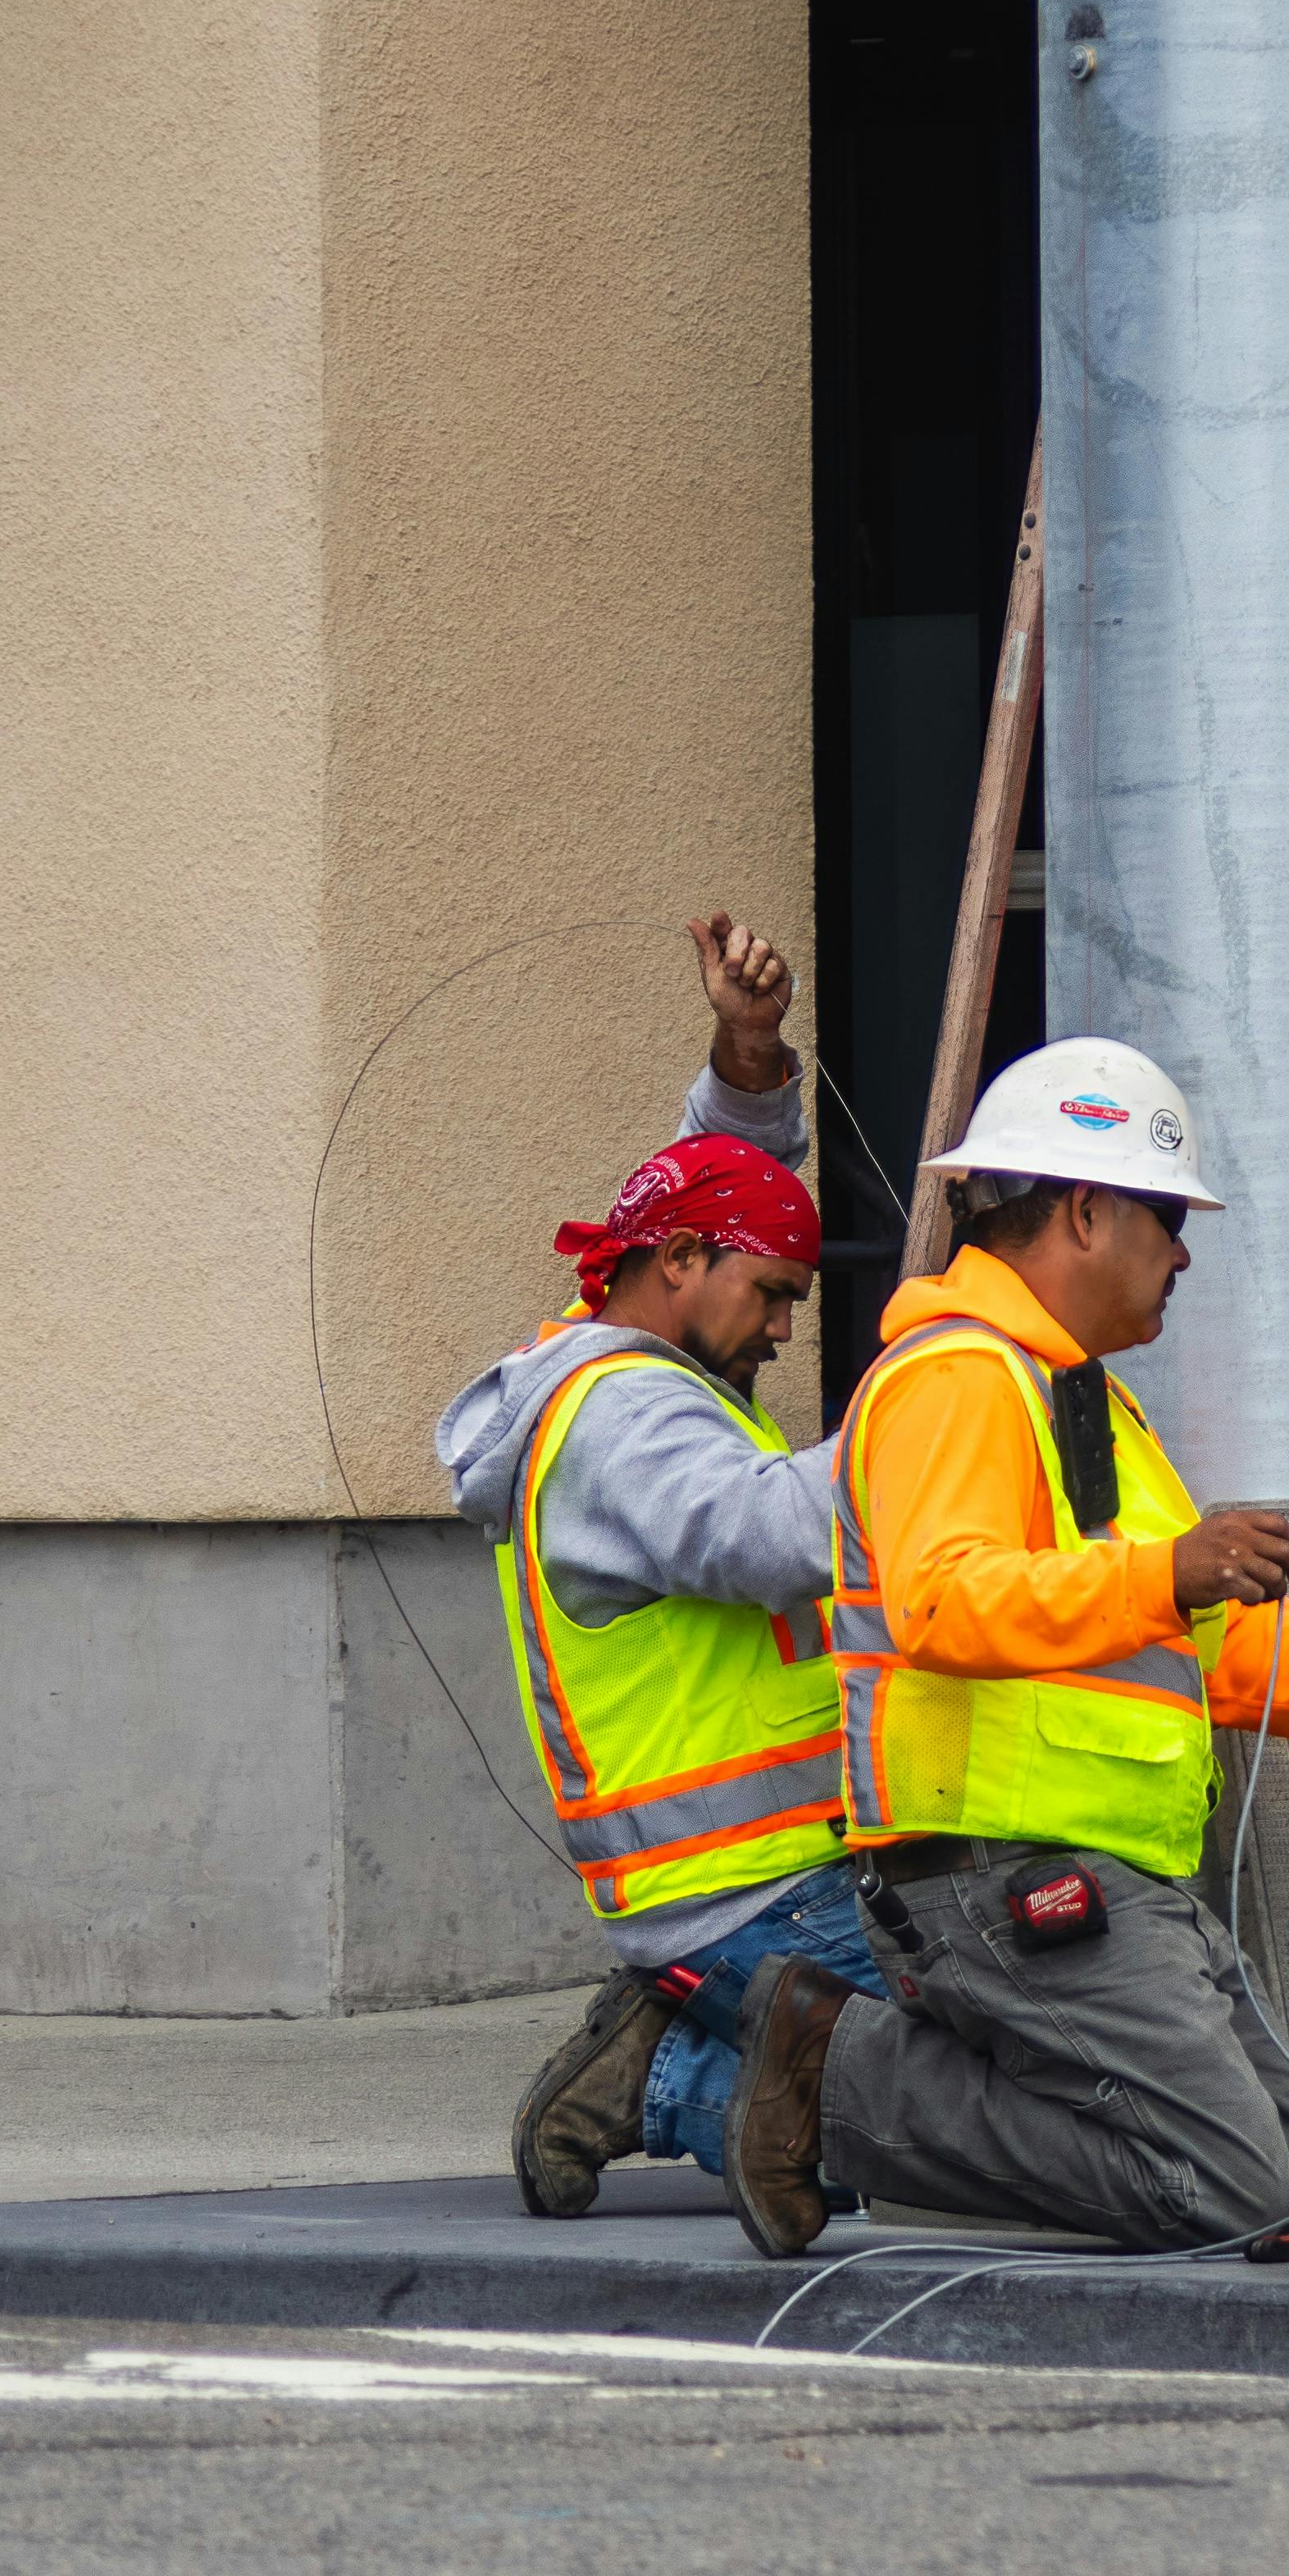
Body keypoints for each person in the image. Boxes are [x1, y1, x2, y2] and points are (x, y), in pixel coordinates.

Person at [712, 1035, 1289, 2260]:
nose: (1183, 1250)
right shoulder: (959, 1376)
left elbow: (1178, 1643)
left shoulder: (1069, 1391)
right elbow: (942, 1602)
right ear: (1084, 1211)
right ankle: (841, 2072)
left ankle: (847, 2072)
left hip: (1092, 1872)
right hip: (999, 1872)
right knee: (1239, 2188)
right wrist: (1167, 1567)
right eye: (1163, 1216)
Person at [438, 913, 881, 2218]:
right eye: (776, 1295)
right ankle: (688, 2082)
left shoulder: (638, 1347)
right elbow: (764, 1536)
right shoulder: (627, 1414)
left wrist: (749, 1059)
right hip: (744, 1883)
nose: (790, 1326)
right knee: (962, 2097)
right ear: (677, 1264)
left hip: (754, 1871)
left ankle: (666, 2046)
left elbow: (721, 1191)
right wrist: (926, 1416)